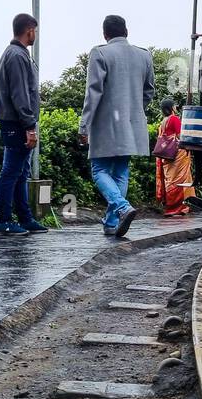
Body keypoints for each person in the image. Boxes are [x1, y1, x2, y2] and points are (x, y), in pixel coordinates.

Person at [80, 15, 155, 237]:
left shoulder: (100, 53)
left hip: (105, 124)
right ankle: (112, 222)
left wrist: (84, 126)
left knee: (99, 170)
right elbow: (148, 91)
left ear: (105, 34)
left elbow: (93, 93)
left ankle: (122, 208)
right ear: (126, 31)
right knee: (121, 171)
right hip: (132, 126)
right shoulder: (144, 56)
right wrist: (133, 109)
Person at [0, 13, 47, 235]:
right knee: (11, 171)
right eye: (35, 30)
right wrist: (29, 127)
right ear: (30, 30)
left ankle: (24, 218)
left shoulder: (18, 54)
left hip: (17, 121)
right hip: (15, 122)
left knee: (20, 171)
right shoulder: (16, 56)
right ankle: (3, 220)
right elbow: (20, 94)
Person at [155, 99, 195, 216]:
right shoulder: (174, 119)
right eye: (174, 106)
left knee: (170, 180)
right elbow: (179, 136)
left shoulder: (163, 121)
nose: (176, 108)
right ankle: (178, 207)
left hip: (166, 156)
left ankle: (171, 206)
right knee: (180, 180)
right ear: (171, 108)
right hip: (177, 154)